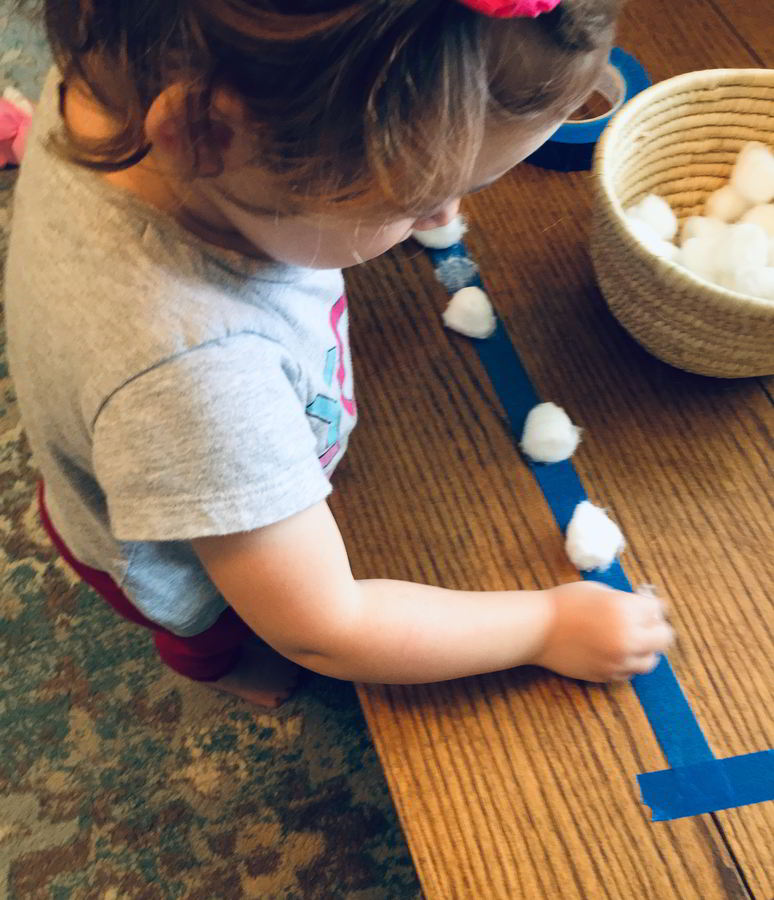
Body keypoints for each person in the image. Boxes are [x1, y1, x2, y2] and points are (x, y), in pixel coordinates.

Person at [5, 0, 674, 706]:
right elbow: (323, 626)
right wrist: (544, 626)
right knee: (203, 625)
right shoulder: (194, 382)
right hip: (156, 545)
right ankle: (217, 670)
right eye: (421, 195)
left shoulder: (116, 68)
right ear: (205, 135)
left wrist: (387, 194)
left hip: (135, 433)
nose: (444, 218)